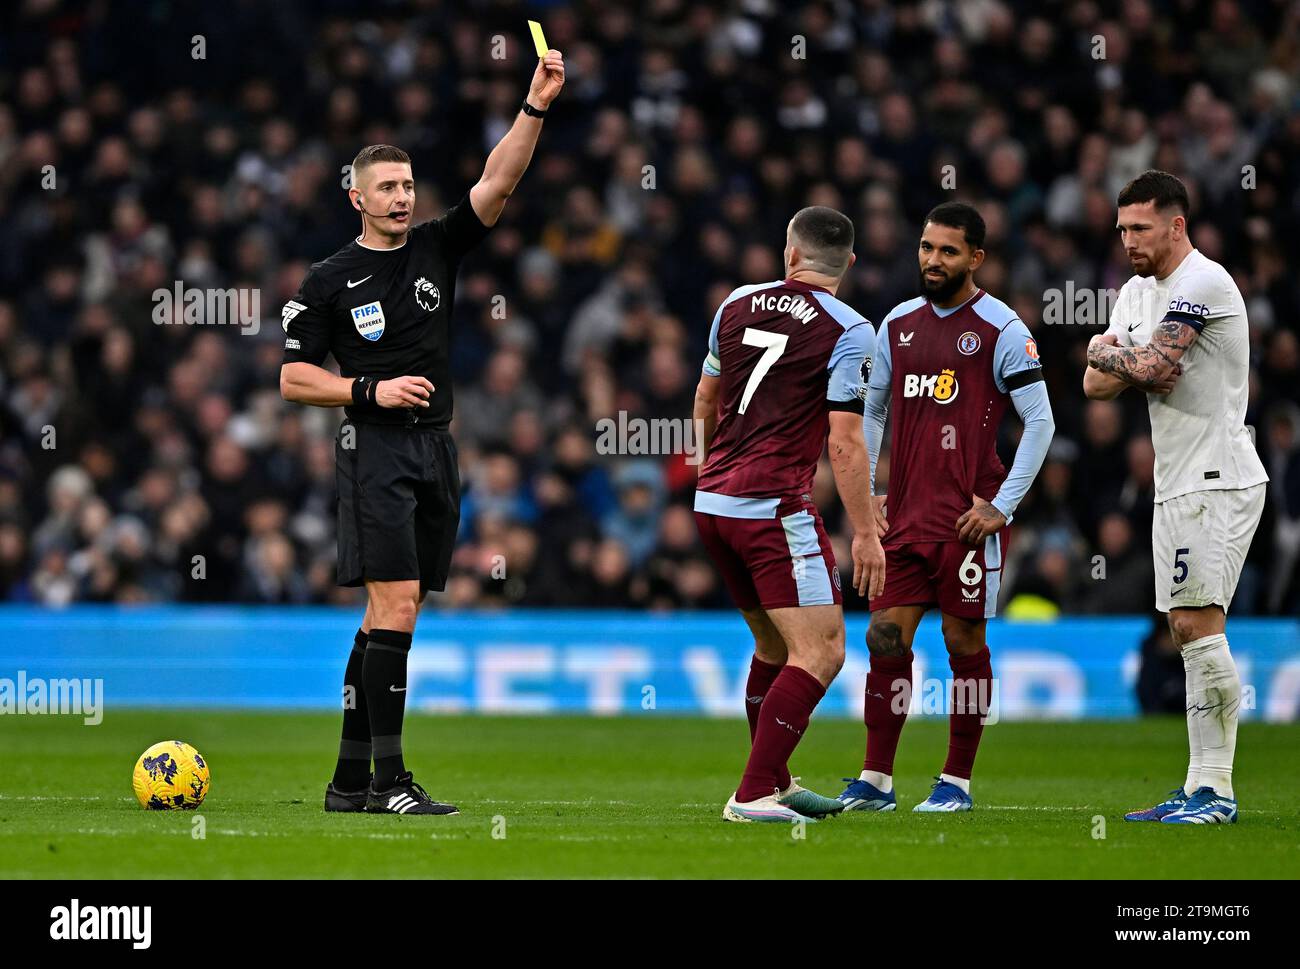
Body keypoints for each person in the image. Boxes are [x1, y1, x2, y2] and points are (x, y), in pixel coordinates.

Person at [279, 50, 566, 816]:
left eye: (407, 185)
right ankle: (389, 781)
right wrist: (367, 388)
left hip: (437, 448)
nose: (403, 198)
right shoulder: (327, 281)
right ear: (356, 198)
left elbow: (498, 181)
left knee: (386, 614)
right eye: (387, 188)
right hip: (373, 447)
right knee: (398, 602)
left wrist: (533, 106)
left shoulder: (438, 245)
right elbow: (293, 378)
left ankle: (347, 781)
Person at [838, 201, 1054, 813]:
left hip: (965, 522)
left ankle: (955, 781)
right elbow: (872, 411)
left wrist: (1003, 506)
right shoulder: (896, 325)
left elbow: (1040, 422)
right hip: (902, 519)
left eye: (948, 251)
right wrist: (871, 494)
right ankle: (876, 779)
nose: (933, 260)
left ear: (976, 259)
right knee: (883, 637)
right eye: (927, 248)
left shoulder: (1003, 330)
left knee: (963, 642)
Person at [1085, 170, 1268, 825]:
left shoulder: (1203, 282)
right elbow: (1095, 385)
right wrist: (1116, 358)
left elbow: (1156, 371)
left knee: (1197, 624)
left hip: (1217, 474)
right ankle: (1198, 786)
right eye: (1122, 228)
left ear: (1176, 225)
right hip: (1177, 478)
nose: (1128, 240)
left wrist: (1110, 352)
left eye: (1140, 228)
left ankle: (1216, 791)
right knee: (1183, 628)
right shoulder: (1136, 293)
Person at [692, 206, 885, 823]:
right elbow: (845, 441)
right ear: (849, 263)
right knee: (824, 650)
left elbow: (705, 396)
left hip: (715, 503)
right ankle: (750, 793)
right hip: (773, 505)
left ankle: (773, 779)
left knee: (774, 645)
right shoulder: (852, 329)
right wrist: (866, 533)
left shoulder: (736, 303)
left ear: (788, 252)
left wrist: (707, 472)